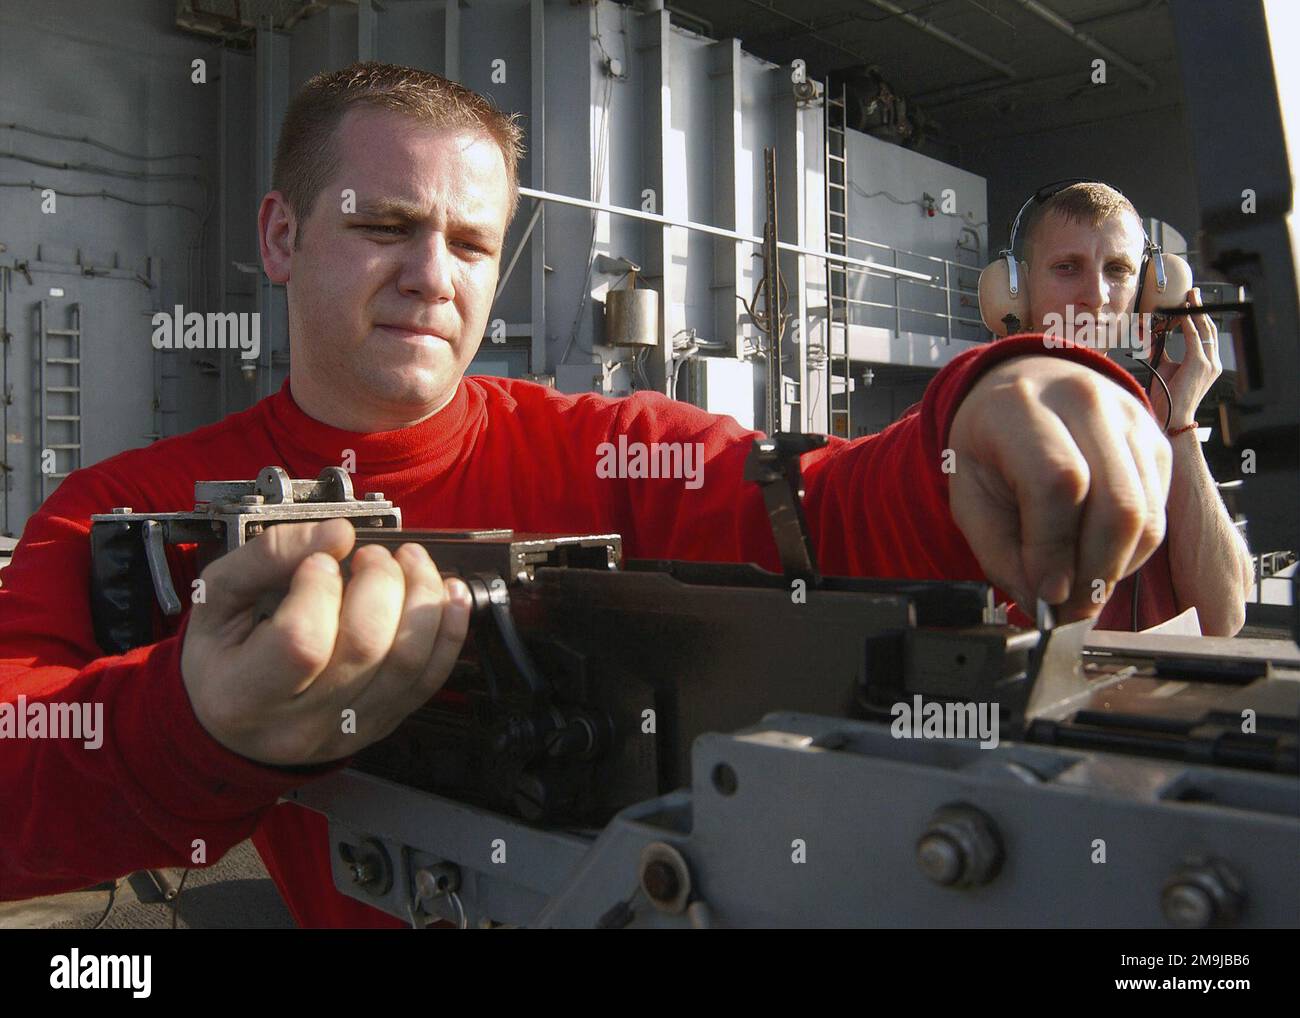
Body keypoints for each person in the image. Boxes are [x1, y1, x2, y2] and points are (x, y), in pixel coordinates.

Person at [0, 64, 1173, 926]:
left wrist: (987, 403)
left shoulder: (616, 451)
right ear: (280, 235)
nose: (431, 276)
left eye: (471, 244)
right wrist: (188, 726)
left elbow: (832, 508)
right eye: (385, 226)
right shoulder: (127, 512)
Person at [1016, 182, 1253, 634]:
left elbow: (1222, 618)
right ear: (1017, 291)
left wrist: (1178, 424)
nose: (1097, 296)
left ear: (1148, 294)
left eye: (1118, 270)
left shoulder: (1156, 428)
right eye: (1067, 267)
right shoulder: (950, 424)